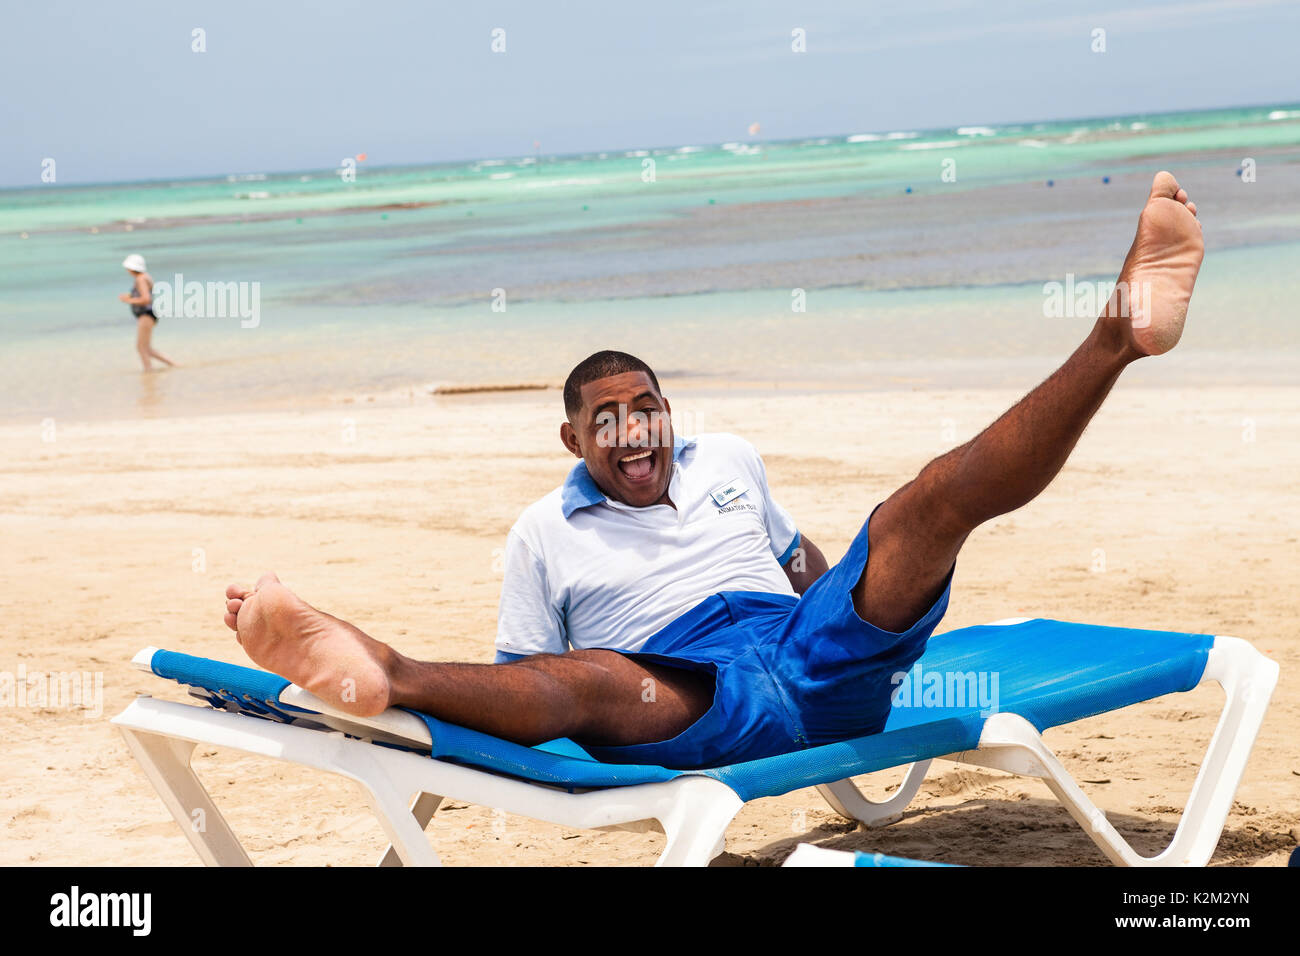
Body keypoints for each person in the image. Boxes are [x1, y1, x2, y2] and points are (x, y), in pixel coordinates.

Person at [222, 171, 1203, 770]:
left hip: (815, 654)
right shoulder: (543, 532)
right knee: (596, 681)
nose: (634, 432)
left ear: (669, 413)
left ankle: (1116, 335)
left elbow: (795, 553)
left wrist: (855, 609)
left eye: (647, 408)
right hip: (683, 694)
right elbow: (530, 683)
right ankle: (377, 670)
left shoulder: (729, 456)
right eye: (607, 421)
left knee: (920, 507)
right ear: (573, 442)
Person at [119, 254, 175, 371]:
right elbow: (144, 294)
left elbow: (146, 299)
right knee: (146, 348)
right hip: (148, 314)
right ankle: (173, 365)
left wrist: (128, 300)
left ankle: (148, 370)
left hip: (145, 315)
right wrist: (130, 296)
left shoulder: (140, 279)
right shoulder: (145, 277)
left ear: (131, 268)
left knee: (141, 347)